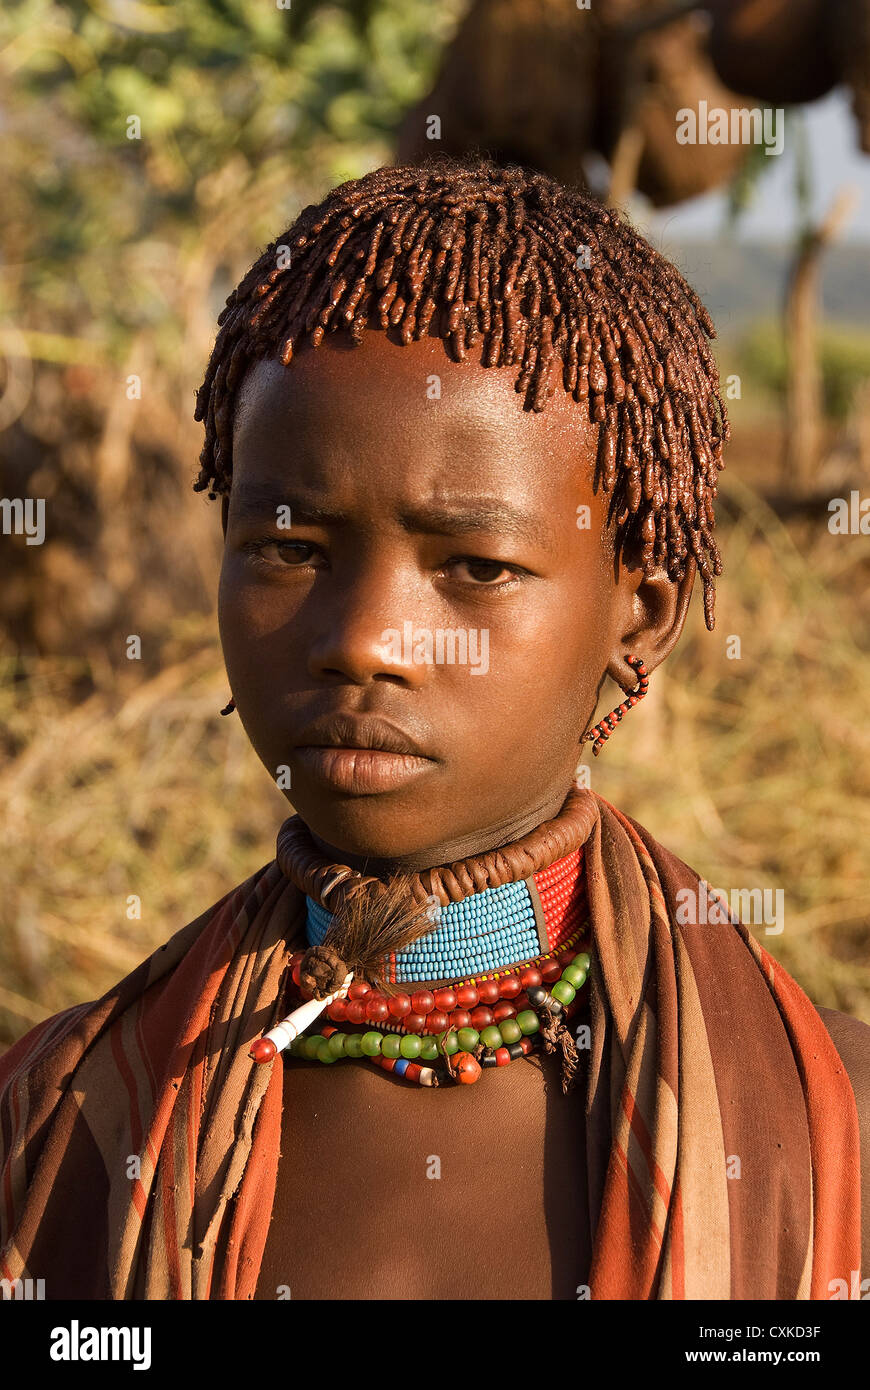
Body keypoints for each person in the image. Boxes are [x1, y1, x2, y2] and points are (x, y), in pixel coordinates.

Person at [1, 156, 866, 1301]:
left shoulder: (827, 1130)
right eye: (287, 548)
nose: (364, 639)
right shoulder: (59, 1123)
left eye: (474, 566)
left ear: (640, 620)